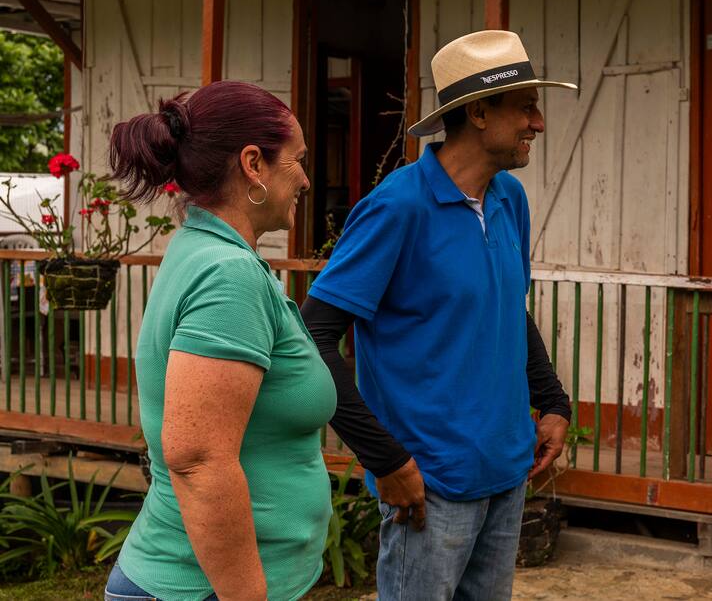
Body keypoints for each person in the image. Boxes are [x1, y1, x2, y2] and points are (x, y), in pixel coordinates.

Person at [300, 29, 575, 600]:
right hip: (431, 484)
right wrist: (386, 460)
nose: (538, 123)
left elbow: (506, 306)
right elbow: (315, 336)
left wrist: (551, 401)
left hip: (508, 471)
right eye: (526, 107)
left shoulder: (509, 199)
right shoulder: (397, 207)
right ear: (479, 112)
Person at [105, 81, 333, 601]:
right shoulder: (228, 274)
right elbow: (199, 460)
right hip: (202, 588)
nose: (305, 179)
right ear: (253, 164)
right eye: (297, 160)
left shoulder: (204, 248)